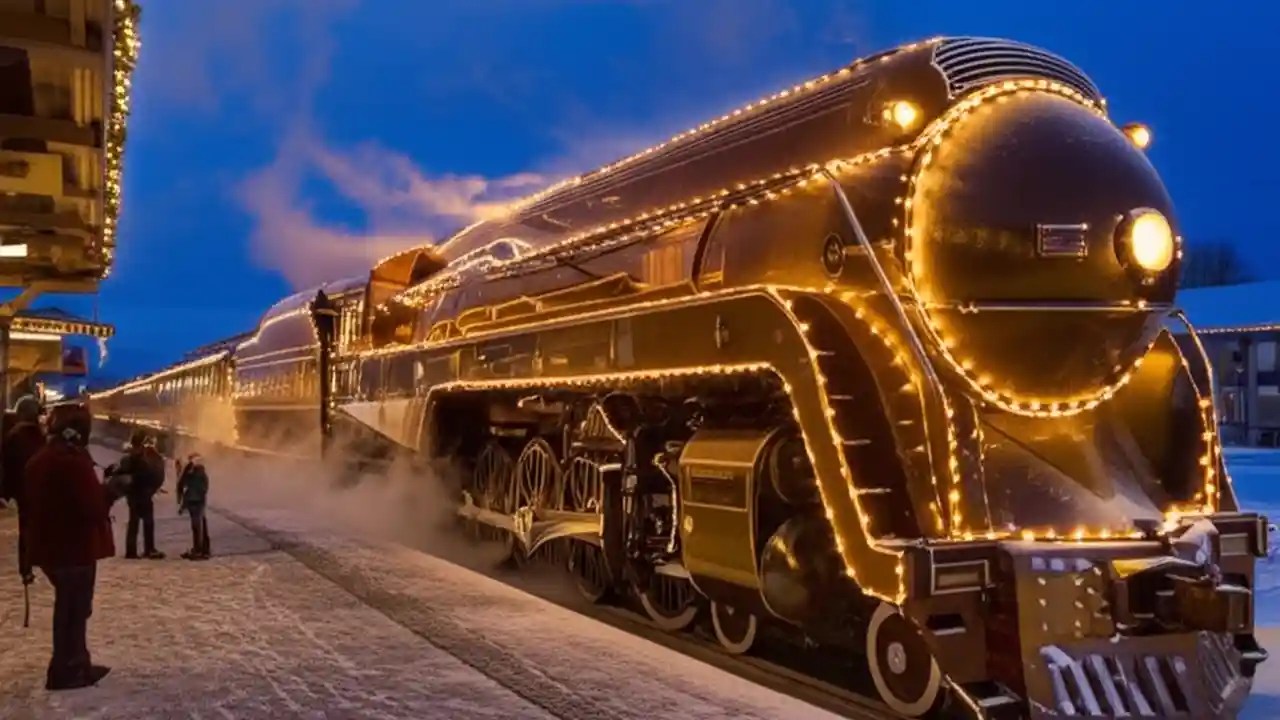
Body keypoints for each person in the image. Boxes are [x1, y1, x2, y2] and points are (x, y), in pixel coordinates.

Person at [24, 403, 113, 690]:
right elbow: (92, 507)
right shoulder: (71, 462)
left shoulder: (42, 458)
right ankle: (68, 669)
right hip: (73, 548)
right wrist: (111, 491)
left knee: (68, 608)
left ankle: (73, 664)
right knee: (74, 610)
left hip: (52, 547)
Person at [2, 396, 46, 586]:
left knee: (26, 528)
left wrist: (7, 491)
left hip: (22, 489)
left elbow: (7, 466)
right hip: (36, 488)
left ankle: (26, 567)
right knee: (35, 528)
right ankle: (33, 563)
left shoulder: (13, 436)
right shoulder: (37, 436)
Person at [113, 430, 165, 560]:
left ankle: (133, 550)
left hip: (135, 494)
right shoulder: (142, 458)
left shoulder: (129, 458)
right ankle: (147, 549)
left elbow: (121, 474)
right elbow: (148, 474)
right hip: (142, 493)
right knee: (145, 522)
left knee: (135, 522)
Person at [175, 454, 211, 560]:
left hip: (195, 501)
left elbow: (183, 485)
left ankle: (198, 550)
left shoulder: (193, 472)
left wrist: (183, 504)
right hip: (198, 501)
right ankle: (202, 549)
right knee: (200, 525)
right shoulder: (200, 473)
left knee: (197, 526)